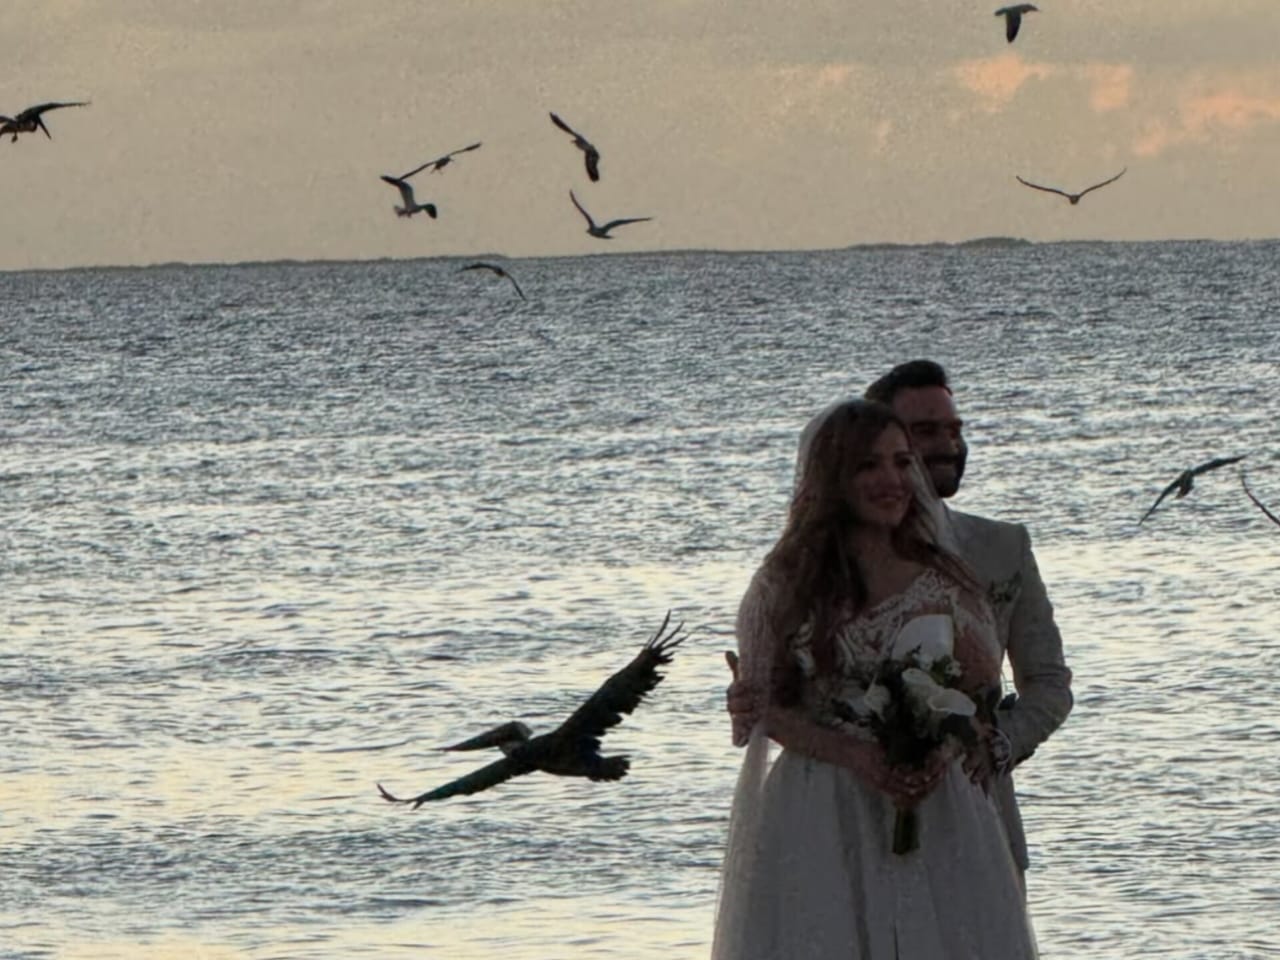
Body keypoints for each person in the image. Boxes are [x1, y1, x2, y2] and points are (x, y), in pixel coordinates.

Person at [711, 399, 1038, 960]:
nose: (891, 480)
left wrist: (940, 748)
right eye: (868, 466)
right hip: (821, 806)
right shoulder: (783, 586)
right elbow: (766, 705)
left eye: (900, 462)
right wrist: (858, 757)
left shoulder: (943, 579)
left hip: (937, 805)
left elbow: (979, 693)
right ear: (834, 477)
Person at [863, 360, 1072, 880]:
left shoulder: (1005, 549)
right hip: (859, 819)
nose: (949, 444)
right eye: (926, 431)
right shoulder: (836, 564)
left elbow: (1049, 684)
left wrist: (996, 746)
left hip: (981, 818)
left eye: (954, 430)